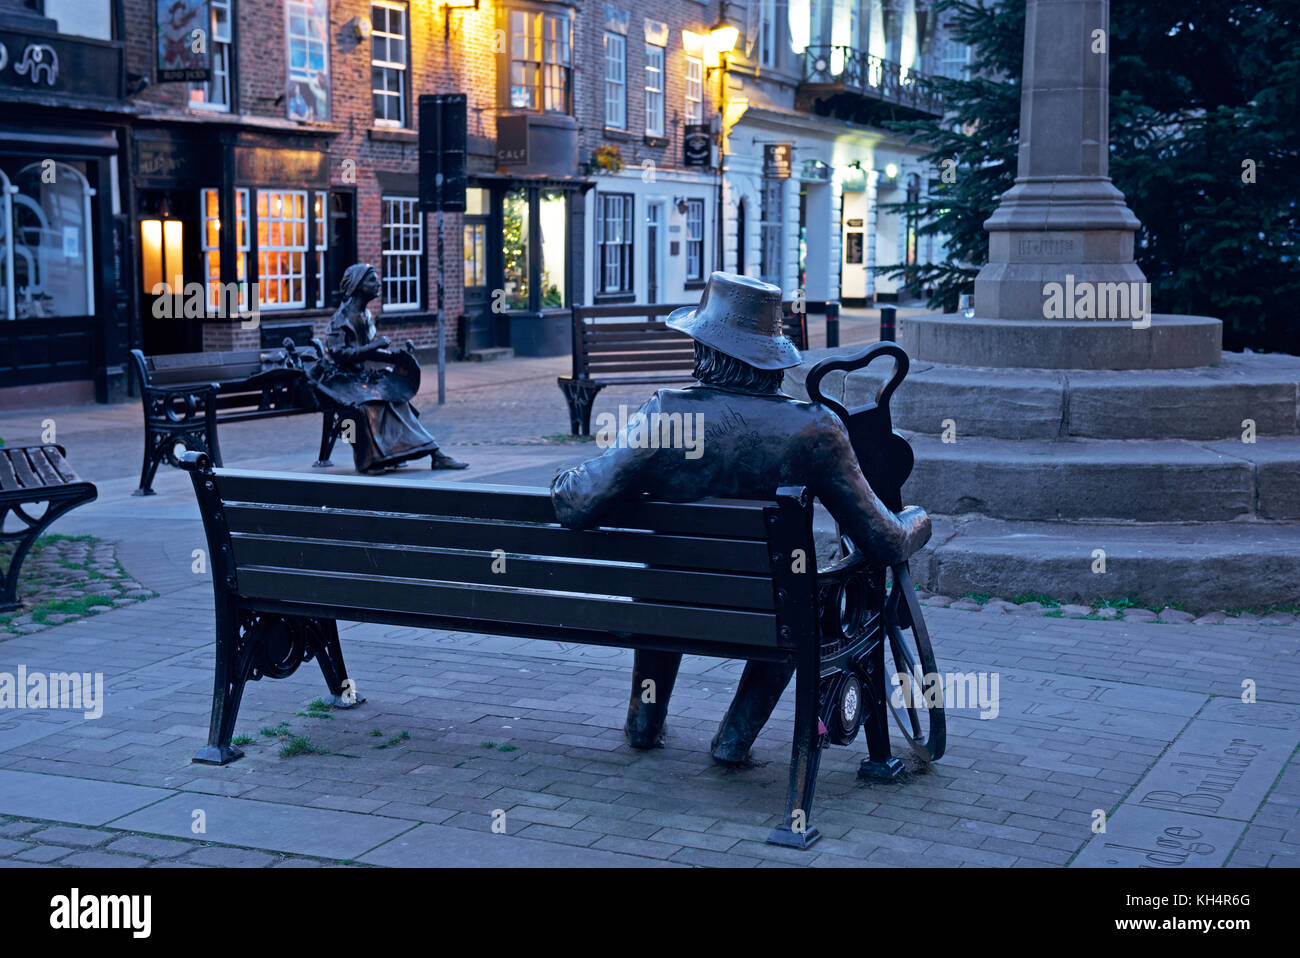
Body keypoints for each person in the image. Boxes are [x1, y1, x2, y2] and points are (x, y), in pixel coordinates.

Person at [550, 272, 930, 765]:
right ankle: (733, 739)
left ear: (705, 349)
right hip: (770, 612)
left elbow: (576, 503)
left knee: (670, 583)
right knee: (800, 601)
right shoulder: (814, 427)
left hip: (666, 602)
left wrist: (564, 476)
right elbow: (883, 540)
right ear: (771, 358)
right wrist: (919, 520)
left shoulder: (665, 414)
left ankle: (644, 725)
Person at [312, 263, 467, 473]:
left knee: (397, 397)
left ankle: (431, 454)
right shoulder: (340, 320)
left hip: (363, 379)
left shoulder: (365, 316)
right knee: (366, 408)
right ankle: (367, 460)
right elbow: (339, 354)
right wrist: (374, 346)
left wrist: (395, 356)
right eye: (372, 280)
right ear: (357, 286)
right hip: (341, 381)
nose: (378, 284)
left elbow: (369, 352)